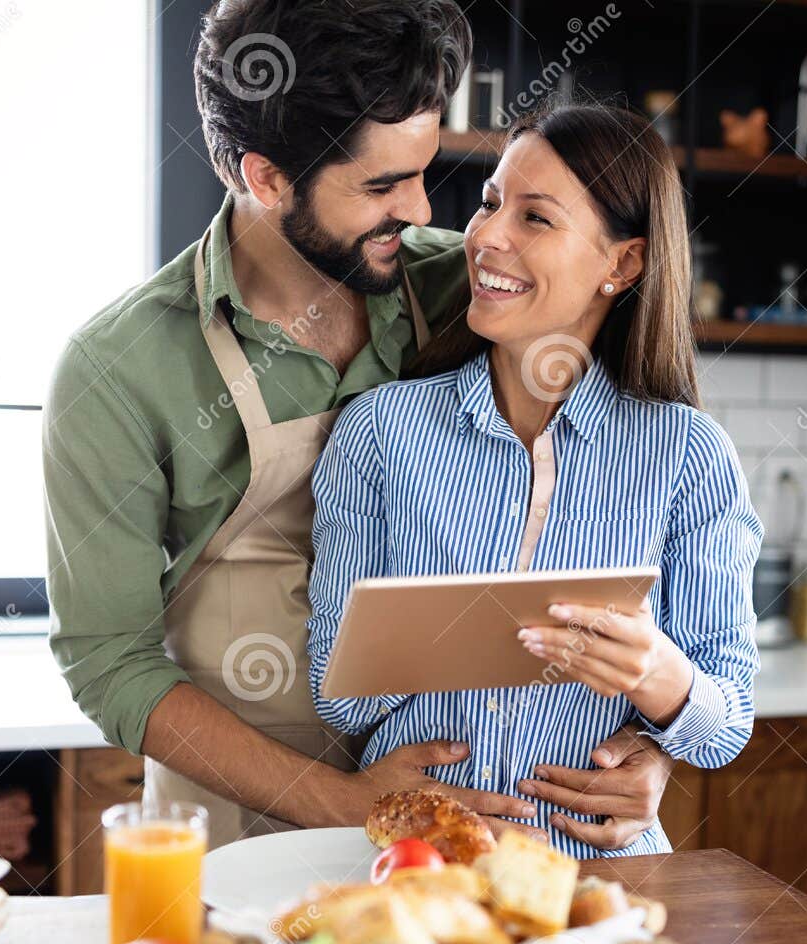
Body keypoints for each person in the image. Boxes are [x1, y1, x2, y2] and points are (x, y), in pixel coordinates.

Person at [42, 0, 536, 847]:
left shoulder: (466, 290)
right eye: (381, 186)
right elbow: (108, 663)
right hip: (233, 822)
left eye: (424, 170)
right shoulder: (118, 367)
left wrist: (651, 747)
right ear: (264, 177)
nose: (421, 211)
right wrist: (341, 803)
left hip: (454, 794)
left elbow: (625, 477)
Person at [307, 100, 763, 857]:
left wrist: (657, 675)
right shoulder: (380, 433)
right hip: (424, 861)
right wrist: (435, 638)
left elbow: (728, 723)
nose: (486, 235)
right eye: (489, 204)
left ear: (622, 265)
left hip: (599, 876)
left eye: (535, 218)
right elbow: (337, 694)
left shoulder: (688, 456)